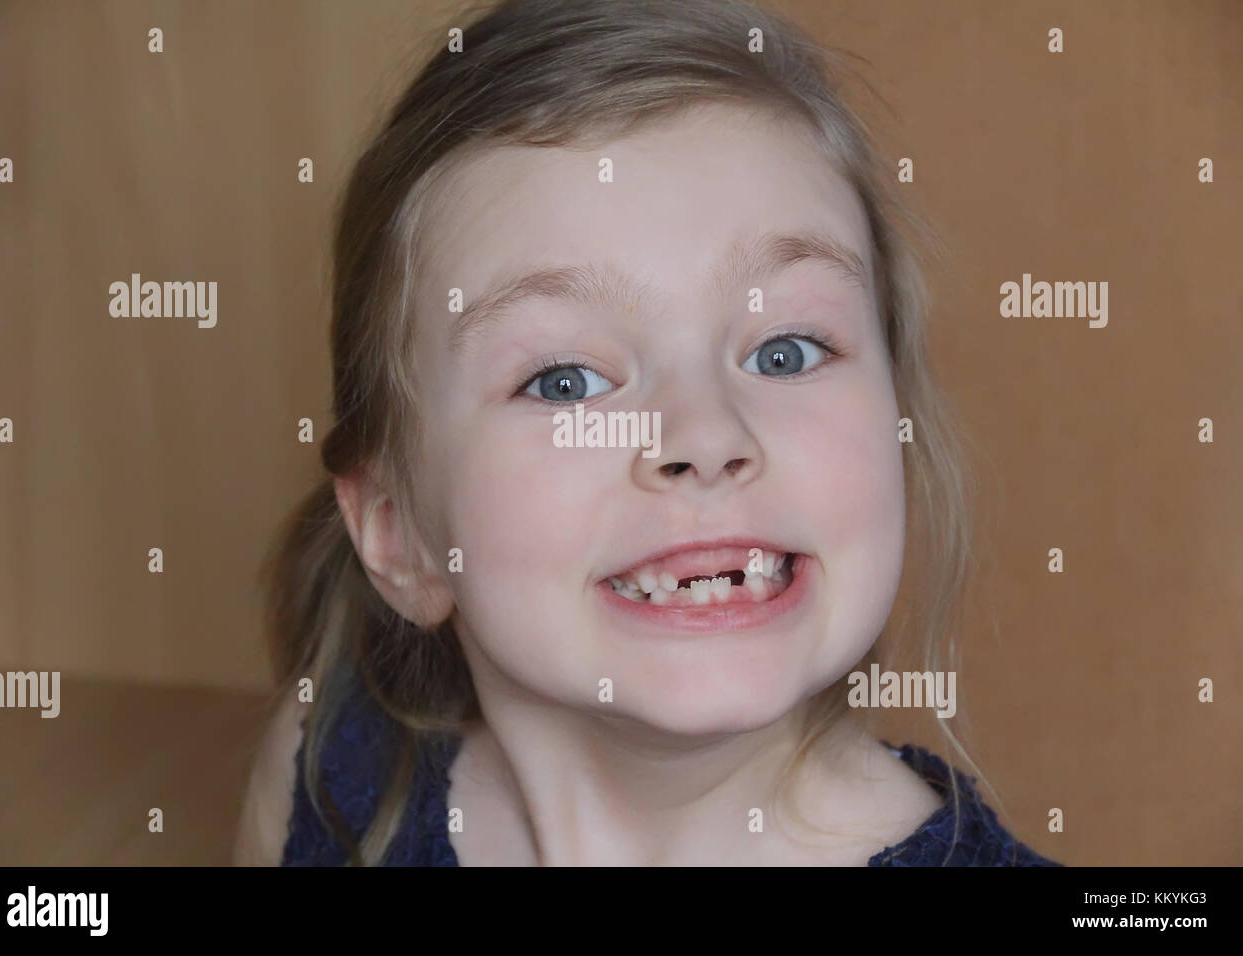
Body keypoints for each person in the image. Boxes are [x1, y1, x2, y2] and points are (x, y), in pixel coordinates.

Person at [234, 0, 1060, 867]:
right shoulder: (325, 774)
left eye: (785, 353)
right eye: (565, 381)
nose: (705, 436)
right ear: (399, 534)